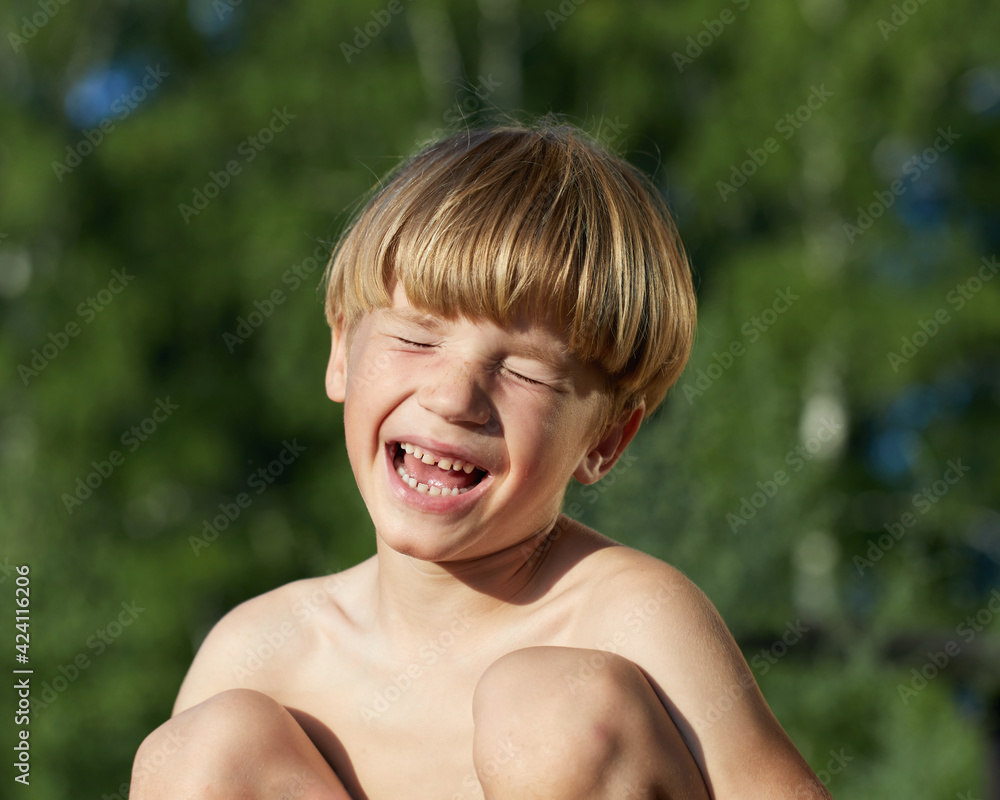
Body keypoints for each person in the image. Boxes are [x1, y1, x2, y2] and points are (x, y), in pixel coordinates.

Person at [131, 121, 831, 799]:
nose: (452, 395)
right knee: (203, 753)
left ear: (607, 439)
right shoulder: (262, 655)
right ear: (342, 349)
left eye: (525, 373)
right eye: (415, 338)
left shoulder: (629, 617)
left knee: (553, 715)